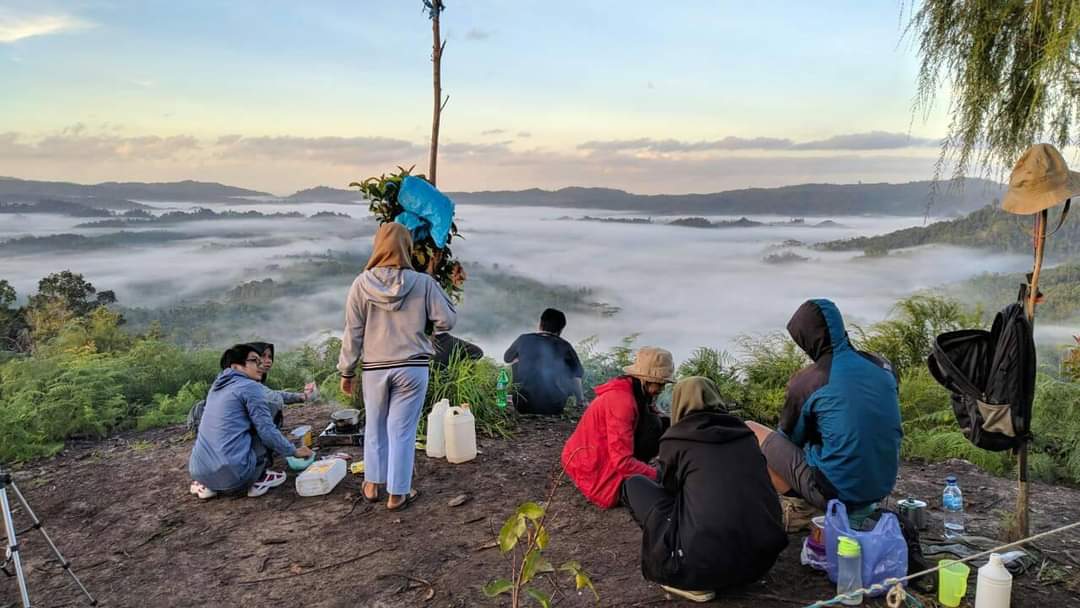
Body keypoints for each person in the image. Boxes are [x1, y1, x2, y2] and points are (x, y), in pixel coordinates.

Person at [622, 377, 788, 603]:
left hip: (702, 566)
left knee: (633, 484)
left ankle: (681, 570)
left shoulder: (676, 437)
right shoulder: (745, 433)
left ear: (678, 402)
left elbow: (669, 489)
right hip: (761, 560)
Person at [338, 223, 457, 511]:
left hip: (375, 368)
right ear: (407, 248)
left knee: (375, 427)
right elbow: (448, 321)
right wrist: (428, 327)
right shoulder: (422, 283)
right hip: (412, 367)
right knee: (401, 430)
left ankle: (371, 485)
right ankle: (397, 494)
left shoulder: (360, 284)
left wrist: (347, 370)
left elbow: (352, 332)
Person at [747, 298, 902, 511]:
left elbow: (789, 439)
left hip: (839, 493)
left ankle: (802, 508)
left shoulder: (810, 380)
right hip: (882, 486)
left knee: (751, 430)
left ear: (806, 339)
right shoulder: (881, 365)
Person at [188, 344, 312, 499]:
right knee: (267, 418)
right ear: (236, 366)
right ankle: (259, 478)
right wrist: (294, 451)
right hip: (236, 476)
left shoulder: (217, 386)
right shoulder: (250, 386)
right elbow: (267, 431)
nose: (261, 365)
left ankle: (208, 485)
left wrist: (301, 396)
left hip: (199, 472)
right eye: (255, 361)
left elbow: (272, 394)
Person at [561, 346, 673, 509]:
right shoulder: (622, 402)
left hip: (590, 457)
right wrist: (657, 476)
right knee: (654, 427)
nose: (661, 389)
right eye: (660, 384)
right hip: (591, 470)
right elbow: (622, 462)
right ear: (645, 380)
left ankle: (639, 471)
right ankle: (624, 480)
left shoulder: (633, 390)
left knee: (660, 423)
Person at [503, 308, 586, 415]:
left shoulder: (523, 339)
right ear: (561, 329)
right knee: (571, 369)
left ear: (540, 324)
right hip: (555, 407)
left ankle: (521, 393)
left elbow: (507, 358)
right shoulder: (565, 345)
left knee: (515, 360)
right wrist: (580, 400)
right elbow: (576, 376)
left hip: (522, 405)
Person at [247, 341, 314, 427]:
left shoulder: (256, 379)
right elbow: (271, 398)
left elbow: (270, 393)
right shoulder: (246, 383)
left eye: (270, 357)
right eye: (262, 356)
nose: (268, 361)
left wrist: (301, 396)